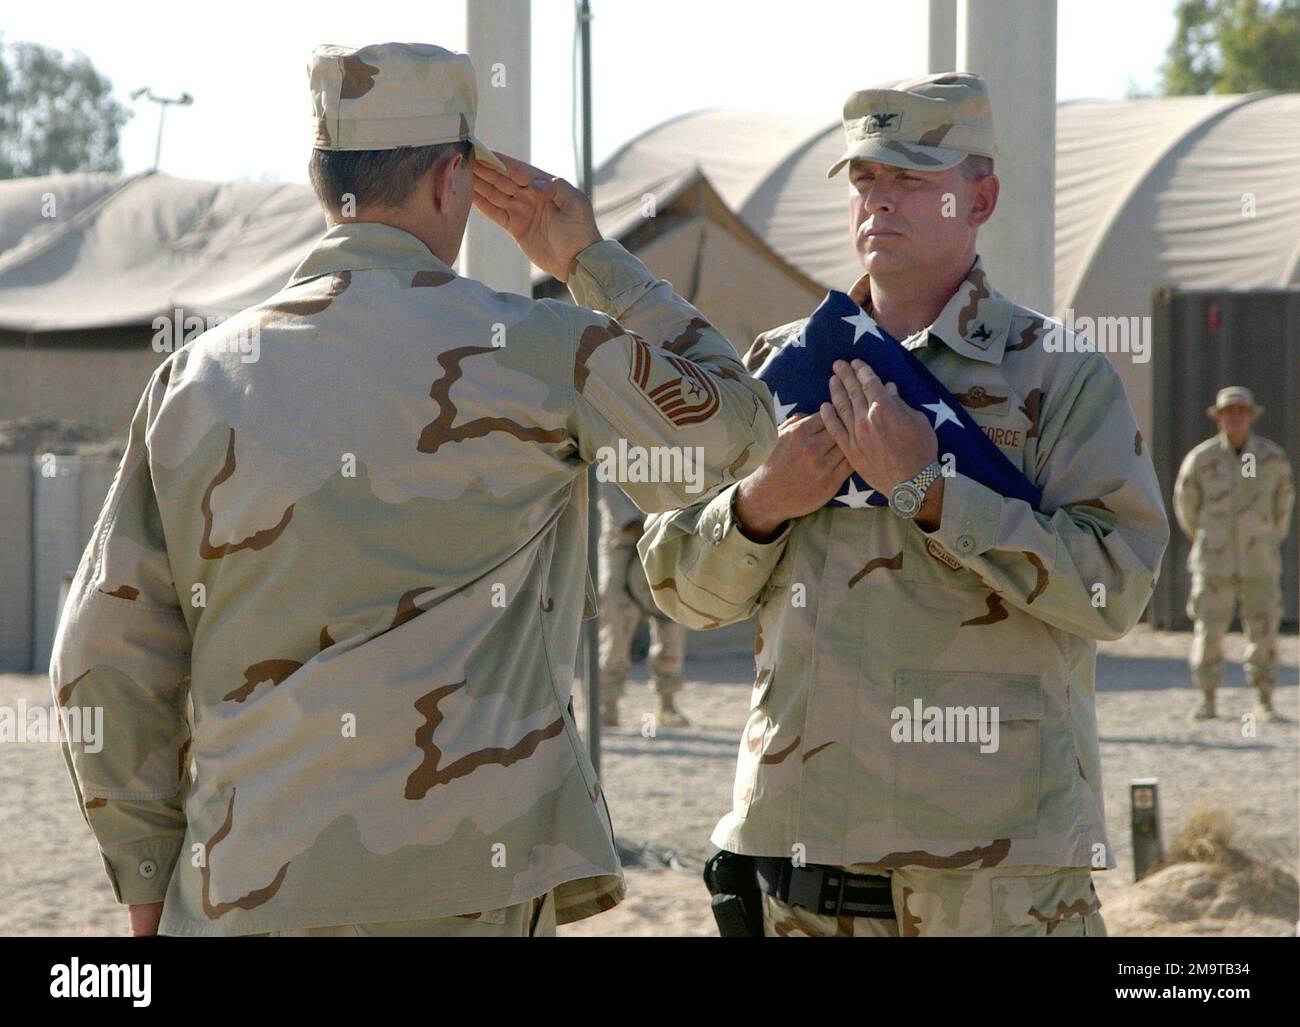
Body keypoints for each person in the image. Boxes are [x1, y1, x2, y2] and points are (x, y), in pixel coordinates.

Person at [49, 41, 775, 937]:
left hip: (246, 888)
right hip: (470, 884)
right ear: (449, 182)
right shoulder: (544, 352)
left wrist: (149, 877)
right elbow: (738, 429)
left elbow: (101, 653)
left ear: (326, 180)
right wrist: (589, 255)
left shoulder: (194, 381)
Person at [642, 72, 1170, 936]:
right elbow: (677, 588)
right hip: (800, 881)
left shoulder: (1058, 377)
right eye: (865, 179)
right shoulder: (784, 368)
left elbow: (1116, 588)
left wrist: (933, 493)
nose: (878, 202)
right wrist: (760, 505)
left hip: (989, 888)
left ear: (982, 197)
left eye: (913, 179)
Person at [1173, 386, 1294, 721]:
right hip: (1214, 560)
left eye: (1242, 411)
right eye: (1229, 412)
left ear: (1252, 416)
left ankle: (1264, 699)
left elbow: (1284, 503)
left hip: (1260, 561)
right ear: (1219, 417)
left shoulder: (1271, 458)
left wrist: (1267, 539)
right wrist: (1208, 537)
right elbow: (1186, 505)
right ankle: (1208, 698)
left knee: (1264, 628)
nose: (1236, 417)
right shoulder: (1202, 459)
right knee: (1209, 629)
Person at [597, 483, 689, 729]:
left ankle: (667, 701)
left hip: (667, 538)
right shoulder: (618, 444)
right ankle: (608, 702)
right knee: (616, 624)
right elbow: (606, 478)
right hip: (623, 544)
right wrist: (635, 525)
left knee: (670, 618)